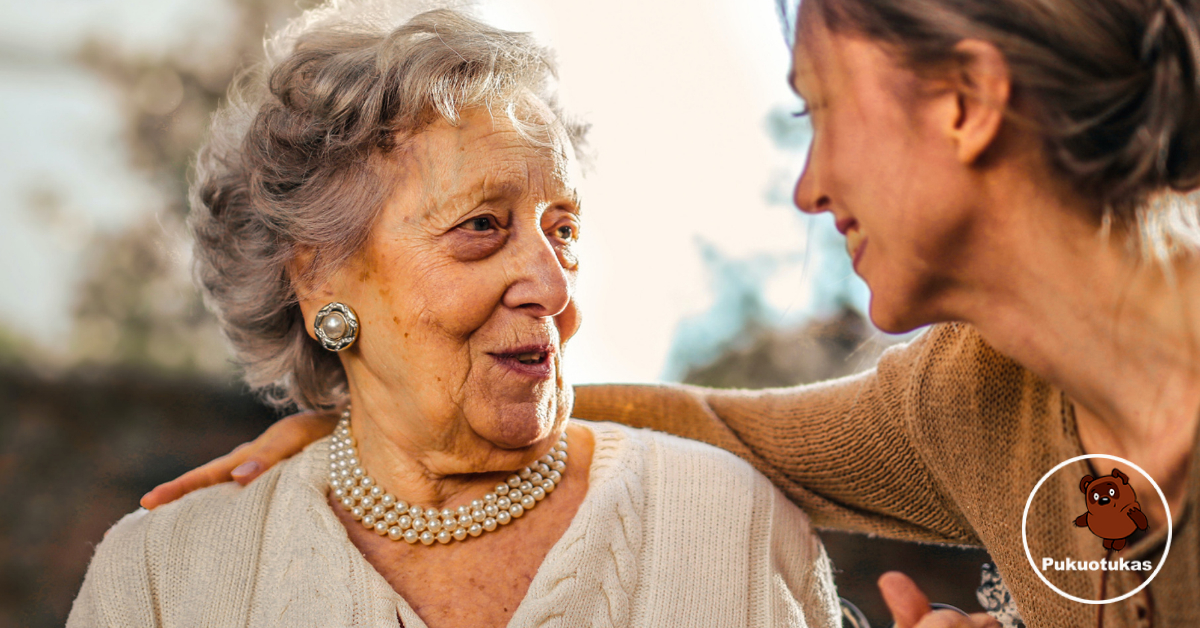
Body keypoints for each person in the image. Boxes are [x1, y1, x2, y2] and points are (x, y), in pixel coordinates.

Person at [144, 0, 1200, 626]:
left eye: (820, 110)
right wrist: (383, 418)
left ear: (965, 103)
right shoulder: (966, 402)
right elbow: (717, 426)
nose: (809, 186)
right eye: (482, 227)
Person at [67, 6, 843, 628]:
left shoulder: (733, 527)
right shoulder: (162, 578)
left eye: (563, 229)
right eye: (482, 226)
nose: (553, 286)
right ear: (317, 275)